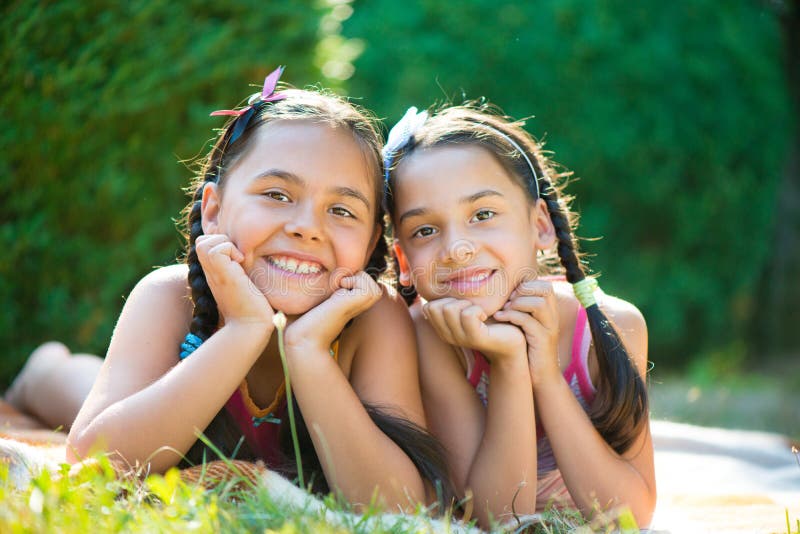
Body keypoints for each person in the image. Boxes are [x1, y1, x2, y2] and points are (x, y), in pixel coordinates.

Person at [4, 68, 454, 511]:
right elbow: (97, 463)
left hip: (167, 410)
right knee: (74, 387)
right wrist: (242, 329)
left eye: (341, 210)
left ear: (373, 241)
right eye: (277, 195)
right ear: (214, 210)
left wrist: (309, 352)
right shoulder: (169, 297)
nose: (306, 228)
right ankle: (44, 370)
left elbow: (399, 506)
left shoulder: (374, 319)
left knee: (105, 395)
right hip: (146, 403)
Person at [382, 104, 655, 527]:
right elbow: (496, 519)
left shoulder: (612, 328)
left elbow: (628, 519)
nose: (457, 248)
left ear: (541, 225)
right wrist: (511, 362)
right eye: (425, 230)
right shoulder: (427, 334)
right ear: (403, 260)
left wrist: (544, 372)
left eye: (483, 215)